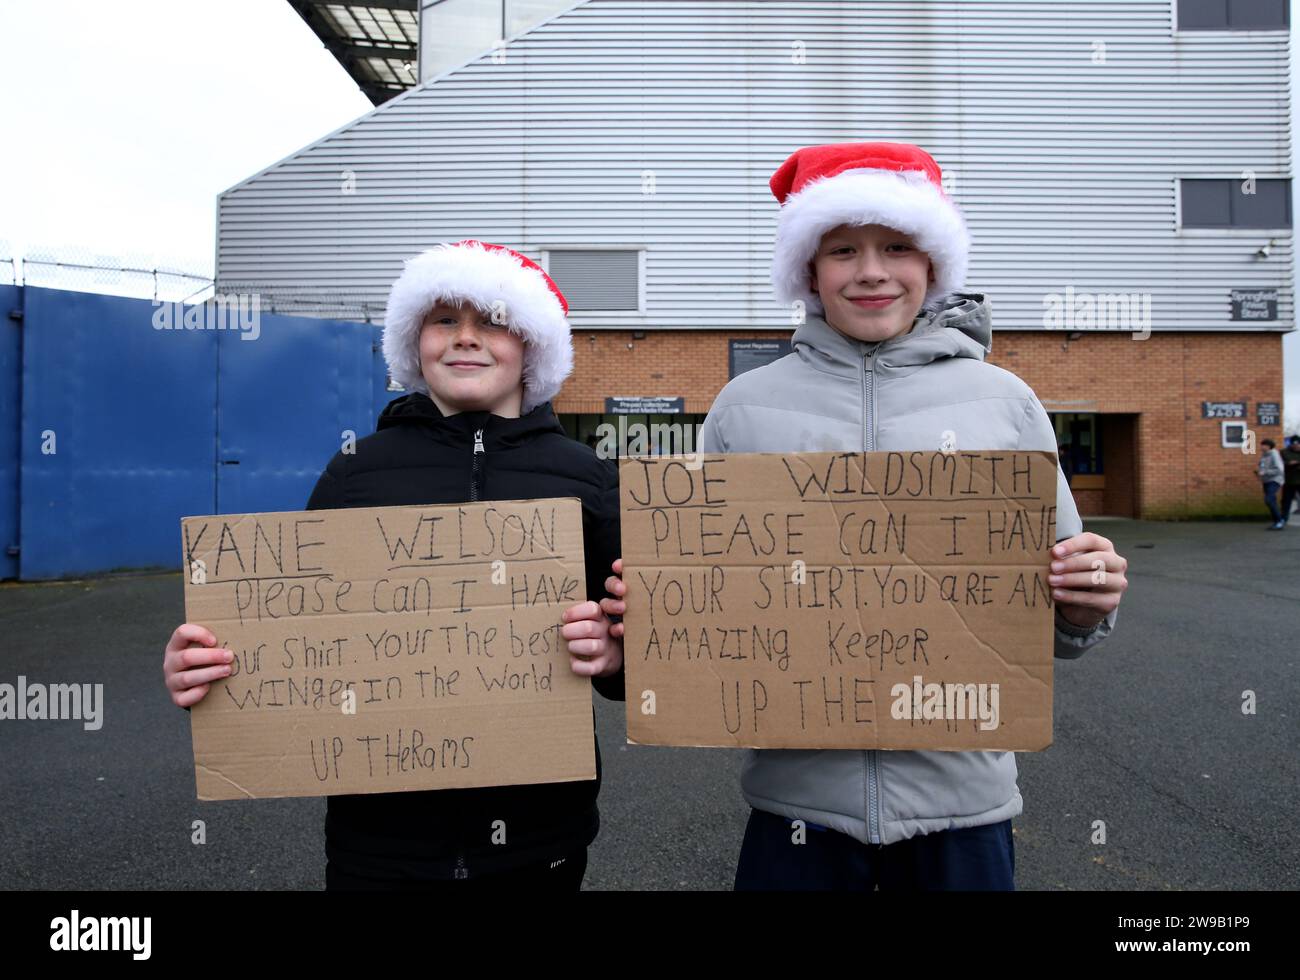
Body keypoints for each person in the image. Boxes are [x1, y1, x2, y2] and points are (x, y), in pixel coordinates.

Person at [602, 141, 1128, 891]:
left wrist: (1086, 601)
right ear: (810, 271)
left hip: (965, 808)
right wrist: (653, 619)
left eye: (898, 247)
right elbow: (710, 602)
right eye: (843, 249)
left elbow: (1057, 618)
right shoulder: (743, 407)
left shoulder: (1005, 402)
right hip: (798, 809)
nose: (872, 270)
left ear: (934, 264)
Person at [164, 240, 625, 891]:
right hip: (380, 845)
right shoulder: (356, 472)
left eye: (491, 319)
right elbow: (289, 633)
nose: (466, 338)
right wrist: (207, 667)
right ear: (414, 341)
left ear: (531, 344)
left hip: (536, 838)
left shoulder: (586, 480)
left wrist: (614, 656)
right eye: (444, 320)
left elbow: (641, 647)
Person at [1258, 438, 1286, 529]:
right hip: (1266, 480)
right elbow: (1262, 466)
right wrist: (1260, 472)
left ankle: (1279, 520)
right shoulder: (1264, 455)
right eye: (1261, 445)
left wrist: (1265, 472)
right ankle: (1277, 521)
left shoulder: (1274, 454)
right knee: (1271, 501)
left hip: (1275, 480)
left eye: (1263, 445)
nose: (1261, 447)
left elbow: (1279, 469)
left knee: (1269, 499)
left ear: (1269, 446)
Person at [1281, 435, 1300, 526]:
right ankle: (1284, 519)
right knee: (1286, 501)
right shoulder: (1285, 452)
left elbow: (1292, 463)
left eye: (1298, 444)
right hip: (1289, 481)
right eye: (1294, 444)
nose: (1296, 446)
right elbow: (1287, 462)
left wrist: (1294, 463)